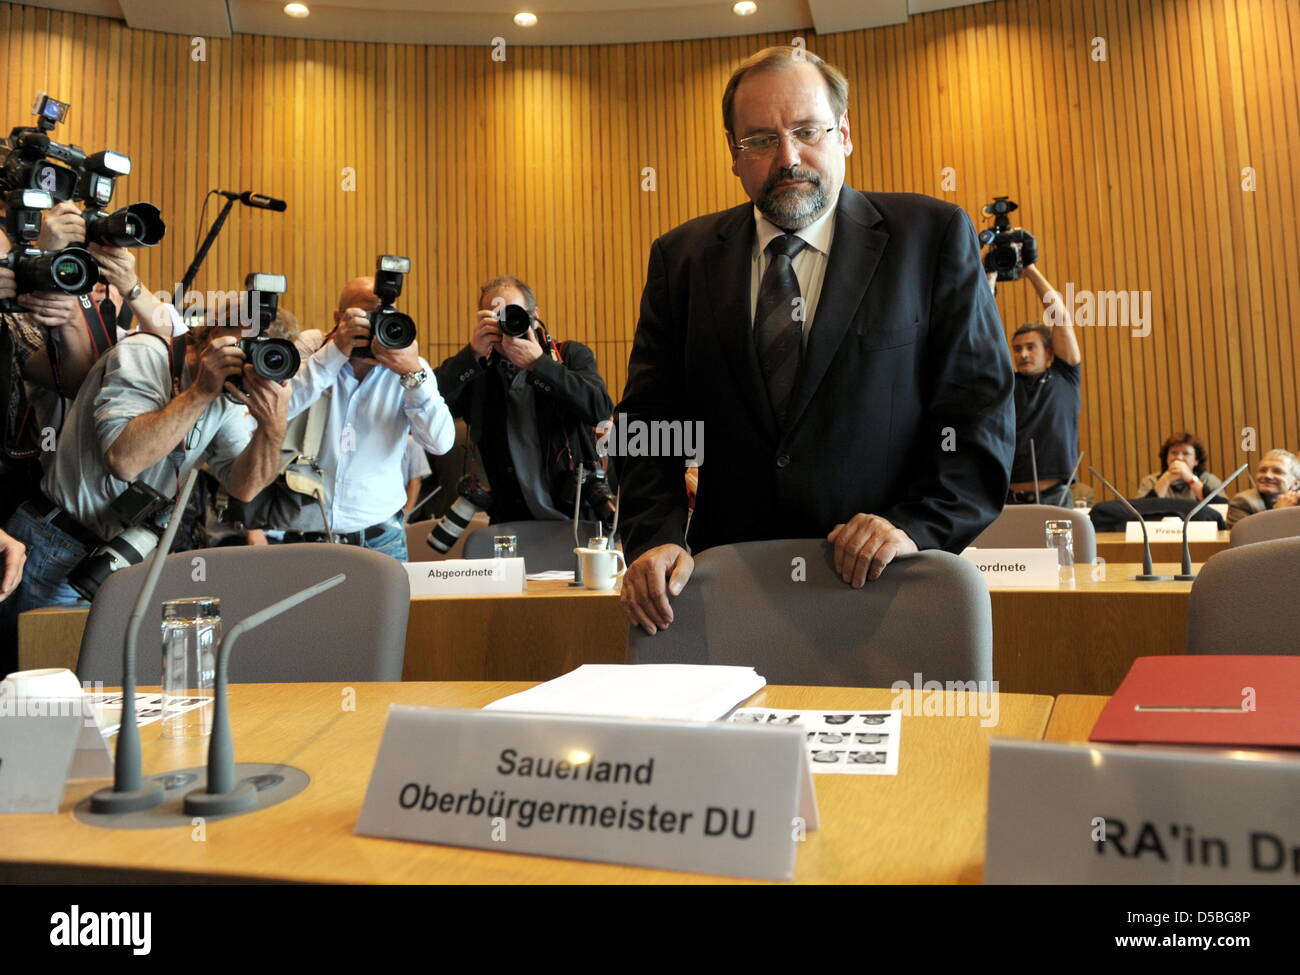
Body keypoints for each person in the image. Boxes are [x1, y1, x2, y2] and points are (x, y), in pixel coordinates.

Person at [615, 45, 1015, 634]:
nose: (789, 157)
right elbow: (649, 420)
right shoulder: (683, 259)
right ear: (733, 155)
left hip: (887, 591)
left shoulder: (929, 238)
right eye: (760, 140)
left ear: (845, 134)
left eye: (807, 130)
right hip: (726, 596)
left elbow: (977, 411)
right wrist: (655, 536)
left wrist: (915, 526)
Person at [0, 314, 291, 630]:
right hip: (57, 547)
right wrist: (200, 392)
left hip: (125, 559)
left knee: (109, 676)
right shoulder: (147, 353)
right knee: (45, 673)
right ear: (216, 331)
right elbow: (125, 461)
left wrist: (273, 426)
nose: (250, 362)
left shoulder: (227, 395)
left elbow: (243, 487)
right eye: (246, 345)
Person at [282, 276, 455, 560]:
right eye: (367, 314)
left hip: (382, 540)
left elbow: (440, 443)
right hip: (306, 539)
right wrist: (335, 352)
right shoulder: (313, 351)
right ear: (339, 318)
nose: (376, 324)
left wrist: (412, 373)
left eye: (385, 313)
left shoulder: (411, 369)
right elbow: (279, 410)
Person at [433, 276, 613, 525]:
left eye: (514, 314)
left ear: (535, 315)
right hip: (512, 519)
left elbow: (600, 409)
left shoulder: (569, 356)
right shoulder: (480, 371)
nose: (507, 325)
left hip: (577, 512)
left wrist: (539, 365)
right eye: (496, 318)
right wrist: (471, 354)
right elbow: (431, 401)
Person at [998, 260, 1082, 507]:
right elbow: (979, 334)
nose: (1022, 354)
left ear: (1049, 352)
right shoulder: (1005, 384)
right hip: (1008, 501)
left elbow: (1060, 318)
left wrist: (1030, 270)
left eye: (1030, 347)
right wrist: (989, 277)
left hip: (1055, 498)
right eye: (1017, 349)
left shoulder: (1065, 376)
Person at [1135, 433, 1222, 502]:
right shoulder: (1150, 481)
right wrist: (1166, 479)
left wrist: (1191, 479)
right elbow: (1139, 512)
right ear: (1166, 457)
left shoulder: (1209, 480)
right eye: (1174, 453)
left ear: (1196, 460)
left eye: (1186, 454)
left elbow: (1222, 508)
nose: (1179, 458)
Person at [1226, 449, 1300, 526]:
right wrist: (1280, 513)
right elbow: (1244, 537)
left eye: (1277, 471)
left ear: (1295, 483)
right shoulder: (1242, 502)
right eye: (1262, 470)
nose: (1267, 475)